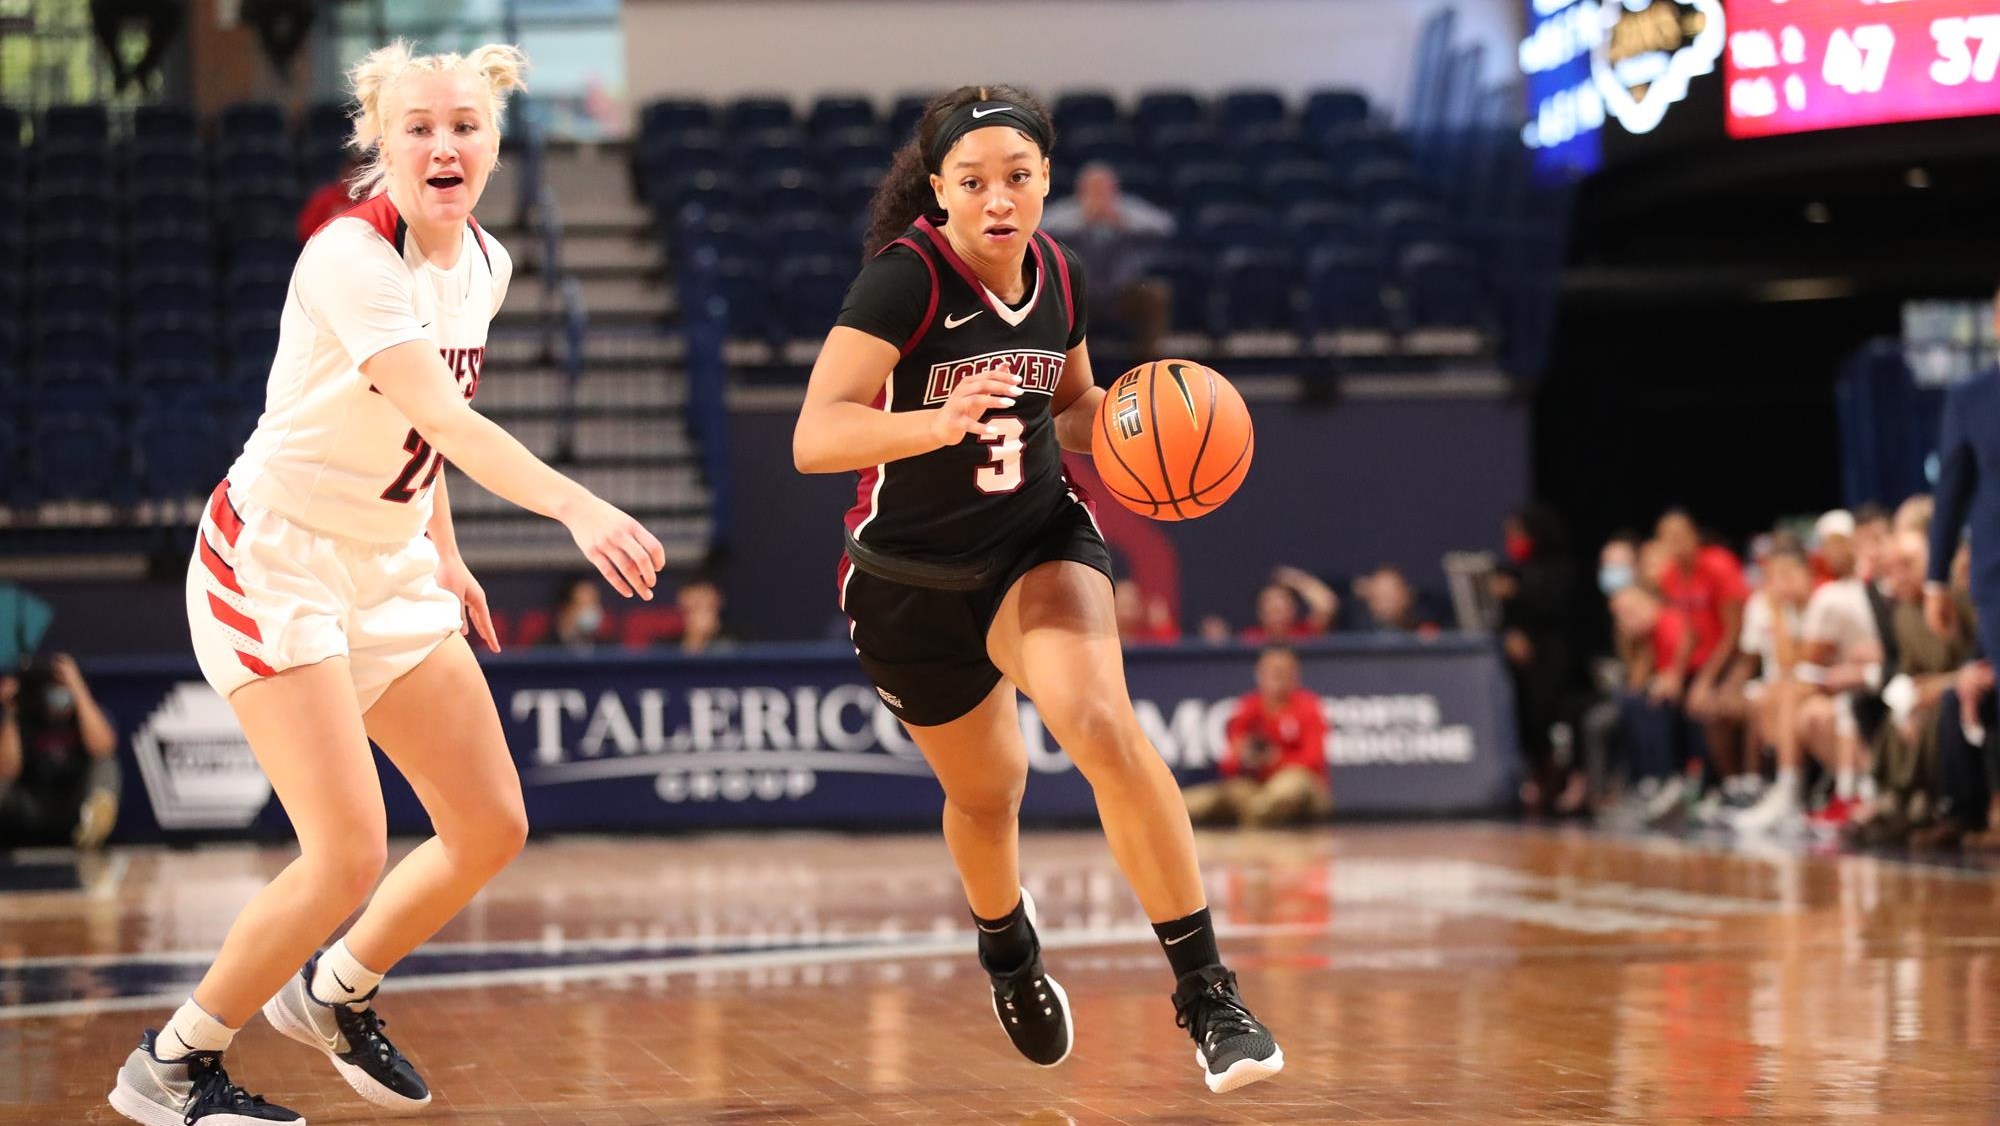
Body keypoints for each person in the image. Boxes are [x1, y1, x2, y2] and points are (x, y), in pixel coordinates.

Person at [108, 43, 665, 1126]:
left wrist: (441, 548)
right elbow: (448, 414)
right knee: (346, 849)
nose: (442, 143)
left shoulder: (486, 265)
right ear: (382, 143)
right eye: (417, 127)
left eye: (463, 124)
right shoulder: (348, 257)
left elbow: (422, 427)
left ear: (494, 141)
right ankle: (171, 1063)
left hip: (387, 556)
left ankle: (336, 987)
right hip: (274, 559)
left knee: (489, 823)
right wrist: (576, 504)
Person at [793, 85, 1282, 1094]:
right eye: (972, 182)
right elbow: (815, 433)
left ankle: (1206, 992)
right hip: (904, 579)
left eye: (1017, 176)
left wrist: (1138, 423)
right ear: (938, 192)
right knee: (987, 793)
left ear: (1046, 181)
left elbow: (1064, 410)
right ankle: (1007, 949)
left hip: (1032, 540)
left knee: (1100, 723)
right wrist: (930, 424)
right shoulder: (903, 282)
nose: (997, 198)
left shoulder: (1059, 271)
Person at [1039, 162, 1174, 372]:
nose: (1099, 194)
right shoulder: (1071, 211)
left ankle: (1147, 367)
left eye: (1104, 189)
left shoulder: (1125, 208)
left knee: (1156, 293)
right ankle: (1065, 370)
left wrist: (1121, 220)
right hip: (1081, 295)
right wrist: (1084, 219)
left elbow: (1164, 225)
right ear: (1081, 190)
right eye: (1093, 189)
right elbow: (1042, 227)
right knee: (1052, 294)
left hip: (1122, 293)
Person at [1493, 506, 1581, 815]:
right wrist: (1511, 633)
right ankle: (1536, 776)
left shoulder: (1561, 569)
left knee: (1554, 716)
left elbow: (1557, 608)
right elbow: (1502, 618)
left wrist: (1517, 593)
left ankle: (1567, 779)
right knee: (1527, 719)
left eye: (1519, 534)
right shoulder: (1512, 571)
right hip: (1522, 665)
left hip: (1556, 659)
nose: (1514, 541)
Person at [1183, 648, 1331, 827]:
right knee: (1218, 795)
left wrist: (1276, 760)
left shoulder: (1308, 706)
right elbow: (1228, 764)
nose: (1278, 677)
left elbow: (1313, 760)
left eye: (1283, 671)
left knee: (1290, 784)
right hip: (1256, 784)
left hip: (1301, 789)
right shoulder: (1248, 707)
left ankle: (1257, 815)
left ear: (1295, 676)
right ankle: (1169, 812)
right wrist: (1245, 758)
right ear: (1259, 675)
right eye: (1272, 671)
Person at [0, 655, 120, 850]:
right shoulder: (23, 716)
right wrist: (11, 712)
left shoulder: (85, 713)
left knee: (106, 764)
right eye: (51, 687)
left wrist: (78, 690)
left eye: (62, 685)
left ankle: (94, 825)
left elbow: (104, 748)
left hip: (75, 804)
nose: (57, 693)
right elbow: (5, 772)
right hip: (31, 806)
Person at [1239, 566, 1337, 644]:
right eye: (1273, 610)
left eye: (1282, 609)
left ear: (1293, 608)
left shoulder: (1305, 632)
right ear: (1260, 612)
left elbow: (1327, 605)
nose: (1277, 616)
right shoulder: (1250, 638)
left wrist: (1295, 580)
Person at [675, 576, 738, 654]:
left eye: (706, 607)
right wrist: (695, 639)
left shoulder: (737, 644)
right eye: (694, 608)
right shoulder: (666, 646)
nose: (699, 615)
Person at [543, 576, 605, 651]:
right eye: (584, 604)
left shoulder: (610, 650)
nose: (591, 609)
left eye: (594, 603)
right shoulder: (543, 650)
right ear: (566, 608)